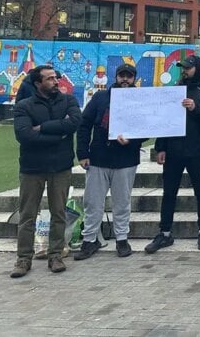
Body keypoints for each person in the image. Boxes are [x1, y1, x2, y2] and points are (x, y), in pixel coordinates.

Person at [10, 65, 82, 278]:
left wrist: (41, 128)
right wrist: (57, 133)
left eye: (55, 77)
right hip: (32, 167)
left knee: (59, 212)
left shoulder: (68, 101)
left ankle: (56, 255)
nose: (55, 81)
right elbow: (24, 136)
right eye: (49, 78)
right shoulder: (24, 106)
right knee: (27, 215)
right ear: (38, 83)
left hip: (60, 166)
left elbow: (74, 123)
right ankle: (23, 258)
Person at [145, 55, 200, 254]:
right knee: (169, 193)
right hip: (174, 151)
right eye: (183, 68)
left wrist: (195, 108)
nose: (184, 71)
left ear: (198, 69)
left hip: (197, 151)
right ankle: (165, 233)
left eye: (188, 68)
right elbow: (164, 119)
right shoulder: (174, 91)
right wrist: (161, 147)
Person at [74, 63, 144, 260]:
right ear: (115, 77)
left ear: (134, 79)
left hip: (126, 158)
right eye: (122, 75)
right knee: (93, 202)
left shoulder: (141, 99)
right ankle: (89, 239)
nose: (125, 79)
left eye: (129, 76)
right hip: (98, 157)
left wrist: (133, 139)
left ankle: (122, 239)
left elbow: (147, 127)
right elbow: (84, 125)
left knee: (122, 202)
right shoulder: (101, 97)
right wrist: (82, 153)